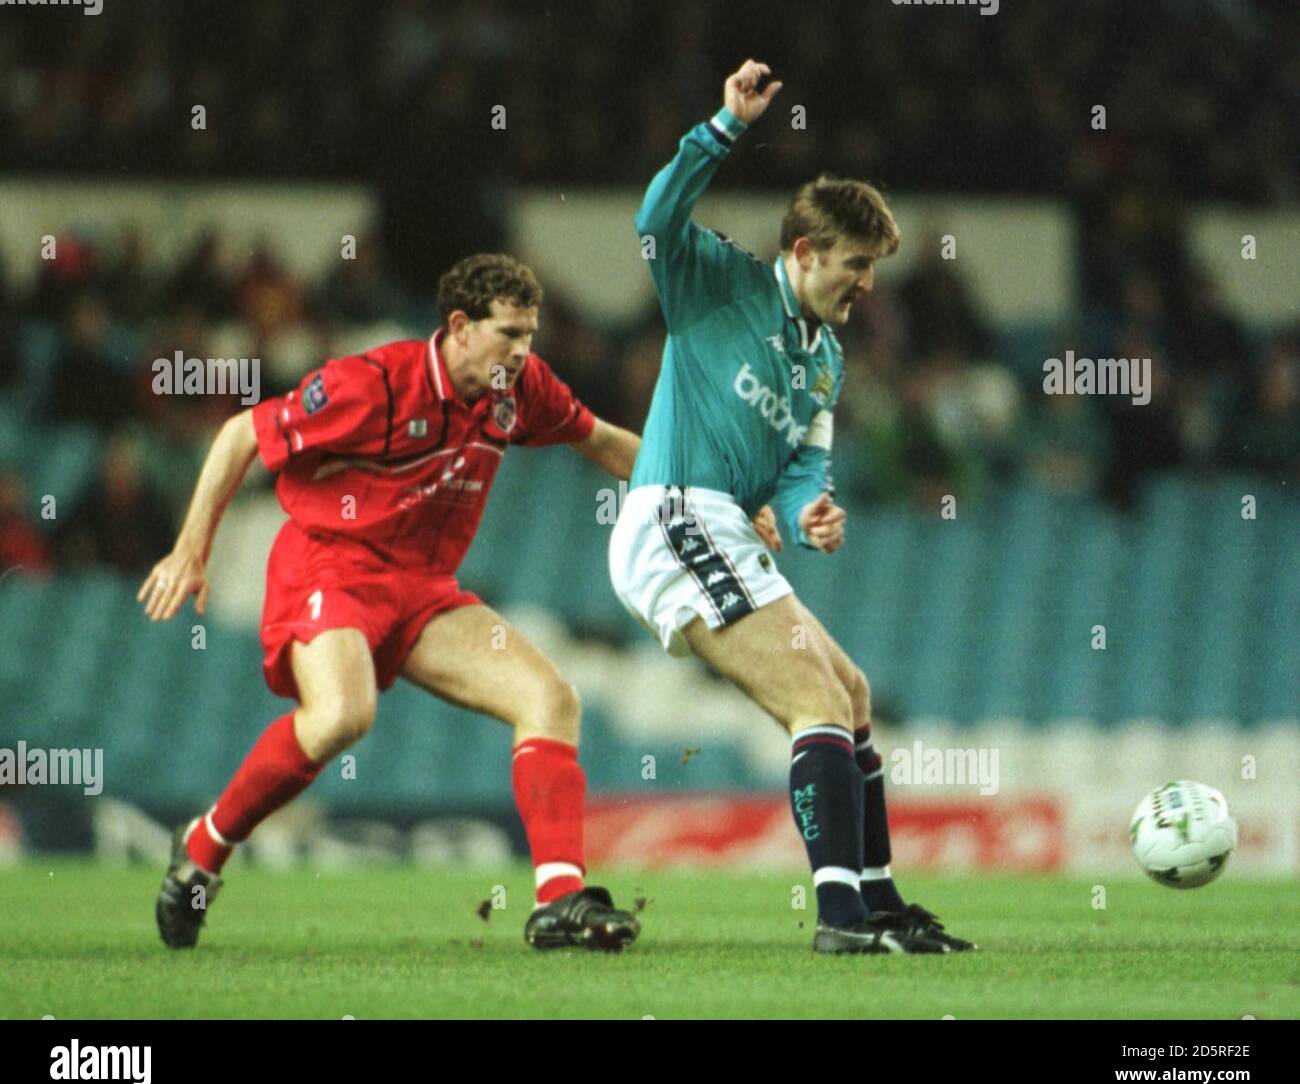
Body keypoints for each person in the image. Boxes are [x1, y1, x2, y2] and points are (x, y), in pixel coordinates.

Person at [141, 254, 645, 952]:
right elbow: (238, 436)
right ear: (460, 328)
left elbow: (606, 443)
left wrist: (709, 500)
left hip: (423, 587)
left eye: (530, 336)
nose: (523, 352)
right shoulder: (372, 384)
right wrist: (191, 548)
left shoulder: (519, 387)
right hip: (331, 565)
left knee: (550, 698)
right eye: (509, 334)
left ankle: (559, 901)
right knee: (343, 716)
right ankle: (205, 844)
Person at [610, 61, 974, 955]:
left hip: (725, 522)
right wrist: (723, 127)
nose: (868, 286)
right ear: (805, 252)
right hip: (673, 517)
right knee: (811, 694)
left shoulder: (825, 360)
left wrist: (815, 508)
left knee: (849, 693)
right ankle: (842, 920)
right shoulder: (719, 284)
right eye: (856, 266)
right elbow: (654, 220)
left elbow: (806, 464)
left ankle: (880, 899)